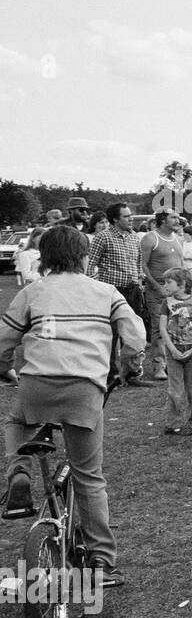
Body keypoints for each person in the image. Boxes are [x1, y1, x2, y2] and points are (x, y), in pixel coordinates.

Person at [0, 226, 147, 587]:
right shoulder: (106, 292)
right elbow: (135, 338)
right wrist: (131, 366)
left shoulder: (32, 291)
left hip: (37, 385)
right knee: (89, 476)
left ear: (45, 257)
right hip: (84, 389)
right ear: (83, 257)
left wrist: (6, 368)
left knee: (16, 422)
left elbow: (4, 339)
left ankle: (18, 475)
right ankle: (101, 561)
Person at [87, 202, 149, 385]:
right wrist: (97, 288)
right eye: (126, 216)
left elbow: (138, 265)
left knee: (134, 334)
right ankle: (110, 375)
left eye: (130, 215)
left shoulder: (134, 238)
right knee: (110, 335)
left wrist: (139, 284)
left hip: (133, 291)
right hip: (111, 292)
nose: (131, 219)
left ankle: (132, 373)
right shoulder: (103, 237)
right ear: (115, 219)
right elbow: (90, 265)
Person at [140, 208, 186, 380]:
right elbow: (143, 266)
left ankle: (172, 362)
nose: (177, 220)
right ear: (162, 220)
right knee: (159, 328)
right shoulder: (150, 238)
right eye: (173, 217)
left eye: (177, 217)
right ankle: (159, 366)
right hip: (158, 291)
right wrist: (156, 286)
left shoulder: (178, 238)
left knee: (177, 327)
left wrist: (185, 286)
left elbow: (181, 264)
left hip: (177, 292)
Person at [157, 267, 192, 436]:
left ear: (182, 284)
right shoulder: (166, 303)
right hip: (173, 351)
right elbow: (162, 328)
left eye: (168, 282)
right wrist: (172, 350)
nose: (165, 285)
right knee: (174, 390)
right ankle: (173, 423)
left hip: (190, 351)